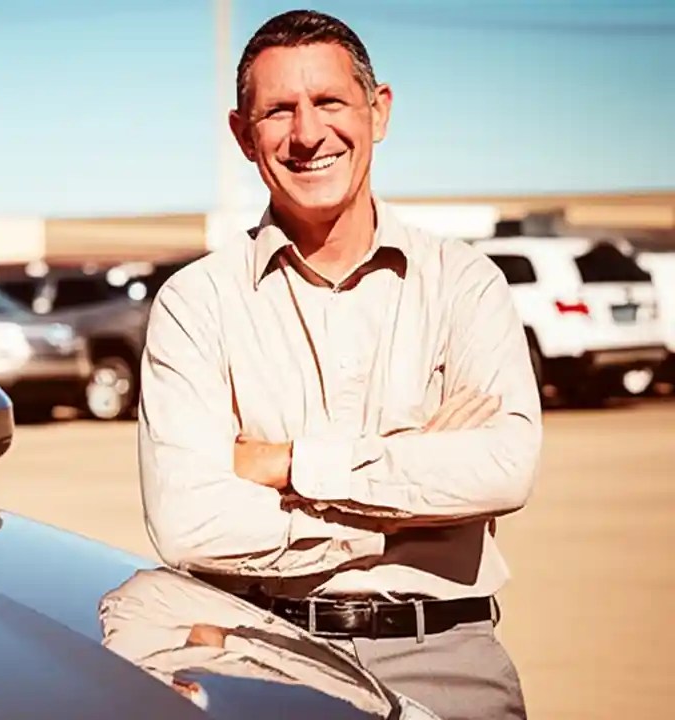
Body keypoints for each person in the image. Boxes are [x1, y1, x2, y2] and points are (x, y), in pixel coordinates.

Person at [136, 9, 540, 719]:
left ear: (377, 112)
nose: (307, 133)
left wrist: (288, 467)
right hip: (257, 654)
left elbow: (504, 466)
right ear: (242, 134)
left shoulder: (465, 283)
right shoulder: (195, 303)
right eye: (278, 111)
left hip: (446, 657)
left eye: (328, 102)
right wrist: (404, 503)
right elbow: (189, 521)